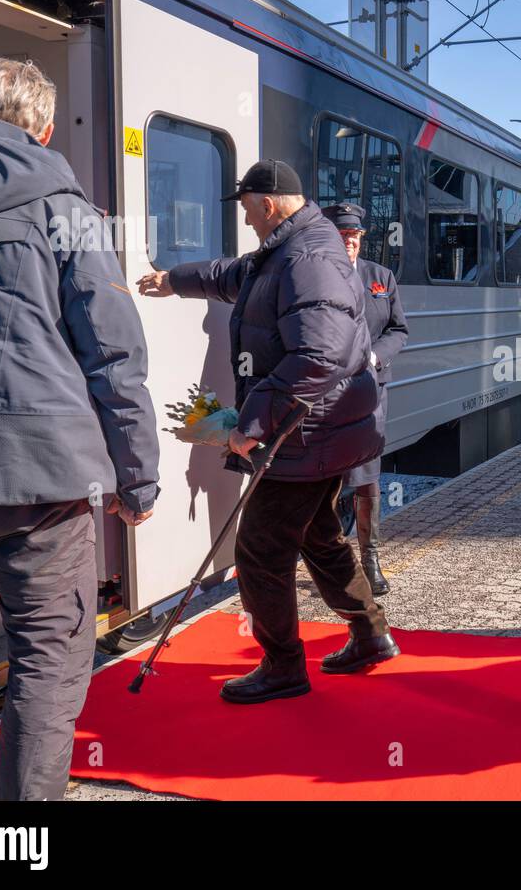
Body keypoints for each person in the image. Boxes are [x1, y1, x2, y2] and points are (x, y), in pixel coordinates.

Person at [0, 57, 160, 800]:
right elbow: (113, 352)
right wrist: (137, 477)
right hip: (43, 484)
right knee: (48, 660)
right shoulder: (65, 206)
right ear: (42, 127)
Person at [137, 160, 397, 704]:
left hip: (305, 434)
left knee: (258, 551)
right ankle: (370, 634)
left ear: (270, 203)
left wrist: (254, 423)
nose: (247, 218)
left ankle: (283, 666)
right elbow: (232, 275)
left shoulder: (306, 257)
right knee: (318, 536)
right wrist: (173, 280)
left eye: (247, 207)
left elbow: (319, 354)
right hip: (318, 431)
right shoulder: (287, 250)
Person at [322, 202, 409, 598]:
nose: (350, 243)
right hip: (328, 392)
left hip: (372, 389)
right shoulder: (315, 276)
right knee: (330, 471)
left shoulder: (380, 276)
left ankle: (370, 558)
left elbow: (399, 329)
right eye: (343, 237)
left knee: (368, 472)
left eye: (354, 237)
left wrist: (375, 356)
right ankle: (330, 553)